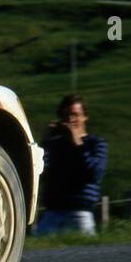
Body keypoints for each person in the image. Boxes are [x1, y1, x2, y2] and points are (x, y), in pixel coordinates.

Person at [34, 94, 108, 236]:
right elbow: (40, 171)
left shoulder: (95, 143)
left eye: (75, 115)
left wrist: (77, 142)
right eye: (66, 115)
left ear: (85, 117)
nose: (70, 120)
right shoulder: (54, 145)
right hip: (52, 213)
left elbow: (95, 173)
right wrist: (45, 141)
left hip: (80, 214)